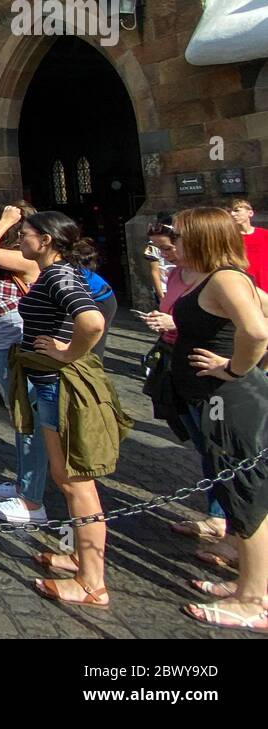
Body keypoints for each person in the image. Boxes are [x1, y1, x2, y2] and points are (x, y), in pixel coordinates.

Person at [8, 211, 127, 609]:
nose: (19, 239)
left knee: (77, 484)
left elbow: (92, 322)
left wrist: (66, 353)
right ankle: (79, 557)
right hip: (47, 385)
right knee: (65, 477)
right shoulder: (53, 274)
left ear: (44, 240)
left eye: (23, 234)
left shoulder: (59, 276)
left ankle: (93, 582)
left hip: (61, 387)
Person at [166, 207, 268, 631]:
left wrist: (236, 367)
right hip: (211, 399)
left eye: (180, 234)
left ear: (202, 238)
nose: (174, 241)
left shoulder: (226, 277)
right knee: (235, 492)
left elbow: (258, 331)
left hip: (230, 400)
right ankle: (247, 583)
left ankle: (254, 599)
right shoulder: (214, 278)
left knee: (248, 499)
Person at [139, 224, 226, 542]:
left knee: (220, 447)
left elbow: (253, 326)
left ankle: (226, 520)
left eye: (168, 248)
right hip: (176, 361)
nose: (164, 256)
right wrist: (162, 321)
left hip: (212, 375)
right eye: (159, 250)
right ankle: (219, 515)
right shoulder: (176, 274)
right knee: (203, 445)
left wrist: (233, 366)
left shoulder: (222, 277)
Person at [0, 203, 47, 524]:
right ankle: (21, 484)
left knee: (28, 421)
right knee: (19, 420)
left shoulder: (25, 259)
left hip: (17, 346)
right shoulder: (9, 259)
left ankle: (32, 501)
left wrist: (5, 220)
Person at [74, 241, 117, 363]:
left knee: (93, 344)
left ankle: (93, 376)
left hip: (102, 300)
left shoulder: (68, 266)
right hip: (98, 296)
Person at [228, 198, 268, 293]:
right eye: (230, 211)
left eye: (237, 210)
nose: (232, 214)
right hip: (245, 286)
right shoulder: (230, 238)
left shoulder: (264, 234)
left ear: (250, 213)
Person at [145, 216, 178, 304]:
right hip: (164, 288)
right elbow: (154, 271)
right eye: (159, 249)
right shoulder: (153, 245)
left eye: (167, 248)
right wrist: (161, 297)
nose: (163, 254)